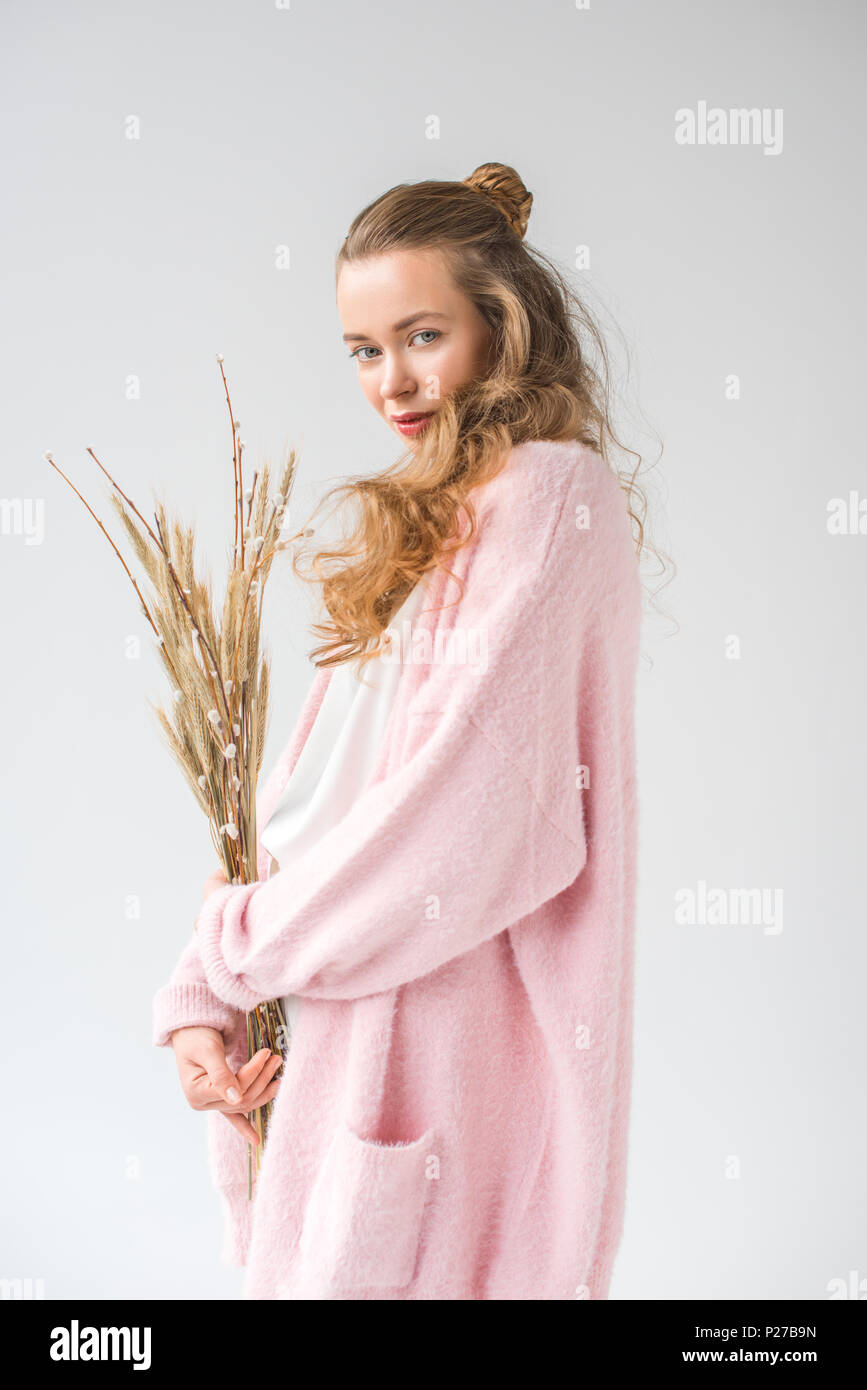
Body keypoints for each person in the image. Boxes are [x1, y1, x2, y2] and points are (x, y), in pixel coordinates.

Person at [153, 161, 655, 1299]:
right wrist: (205, 994)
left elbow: (461, 829)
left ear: (503, 324)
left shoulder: (550, 497)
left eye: (422, 334)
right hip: (328, 1025)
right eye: (364, 350)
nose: (392, 381)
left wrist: (235, 948)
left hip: (435, 1045)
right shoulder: (429, 514)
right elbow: (313, 803)